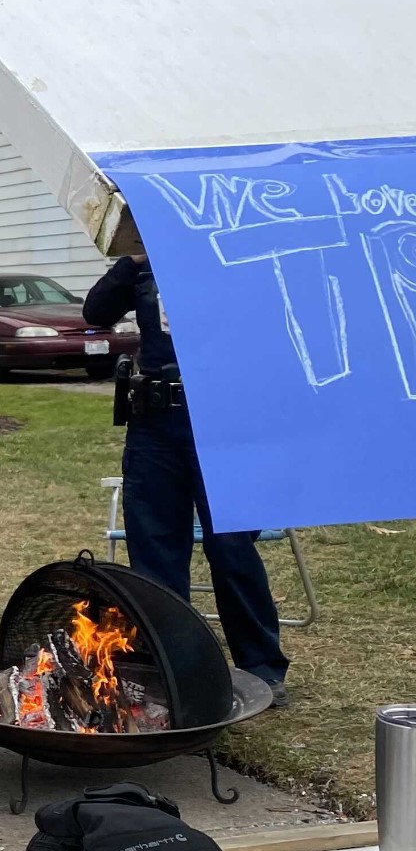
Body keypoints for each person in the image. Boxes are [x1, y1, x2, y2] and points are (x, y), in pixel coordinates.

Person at [85, 254, 290, 702]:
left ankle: (261, 666)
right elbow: (95, 312)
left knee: (231, 546)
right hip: (155, 421)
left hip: (224, 422)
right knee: (155, 554)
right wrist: (132, 261)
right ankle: (173, 665)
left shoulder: (231, 255)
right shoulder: (143, 268)